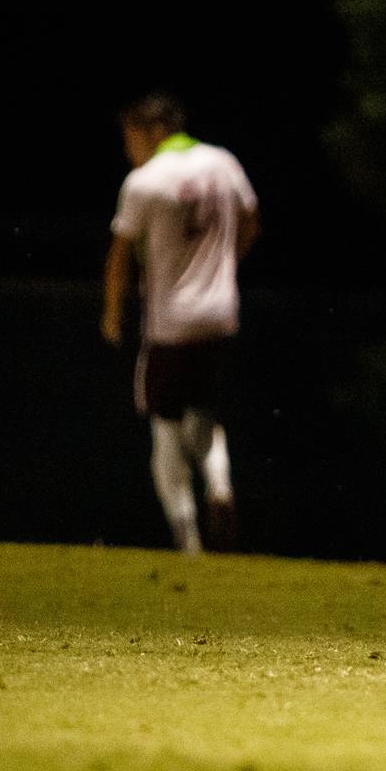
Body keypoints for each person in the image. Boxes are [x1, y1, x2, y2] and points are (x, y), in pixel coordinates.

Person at [102, 93, 260, 554]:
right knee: (206, 414)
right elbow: (250, 221)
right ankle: (220, 484)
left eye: (131, 137)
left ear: (151, 132)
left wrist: (113, 312)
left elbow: (118, 256)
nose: (129, 148)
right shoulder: (223, 162)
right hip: (220, 315)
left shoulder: (146, 181)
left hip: (170, 322)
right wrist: (225, 267)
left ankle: (187, 535)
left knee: (164, 425)